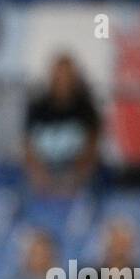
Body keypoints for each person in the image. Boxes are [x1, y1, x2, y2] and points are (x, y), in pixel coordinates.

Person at [24, 54, 101, 195]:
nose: (63, 81)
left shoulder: (85, 108)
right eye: (59, 75)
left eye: (67, 75)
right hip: (43, 176)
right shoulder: (38, 107)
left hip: (77, 178)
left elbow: (92, 147)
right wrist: (40, 175)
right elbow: (27, 146)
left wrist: (76, 176)